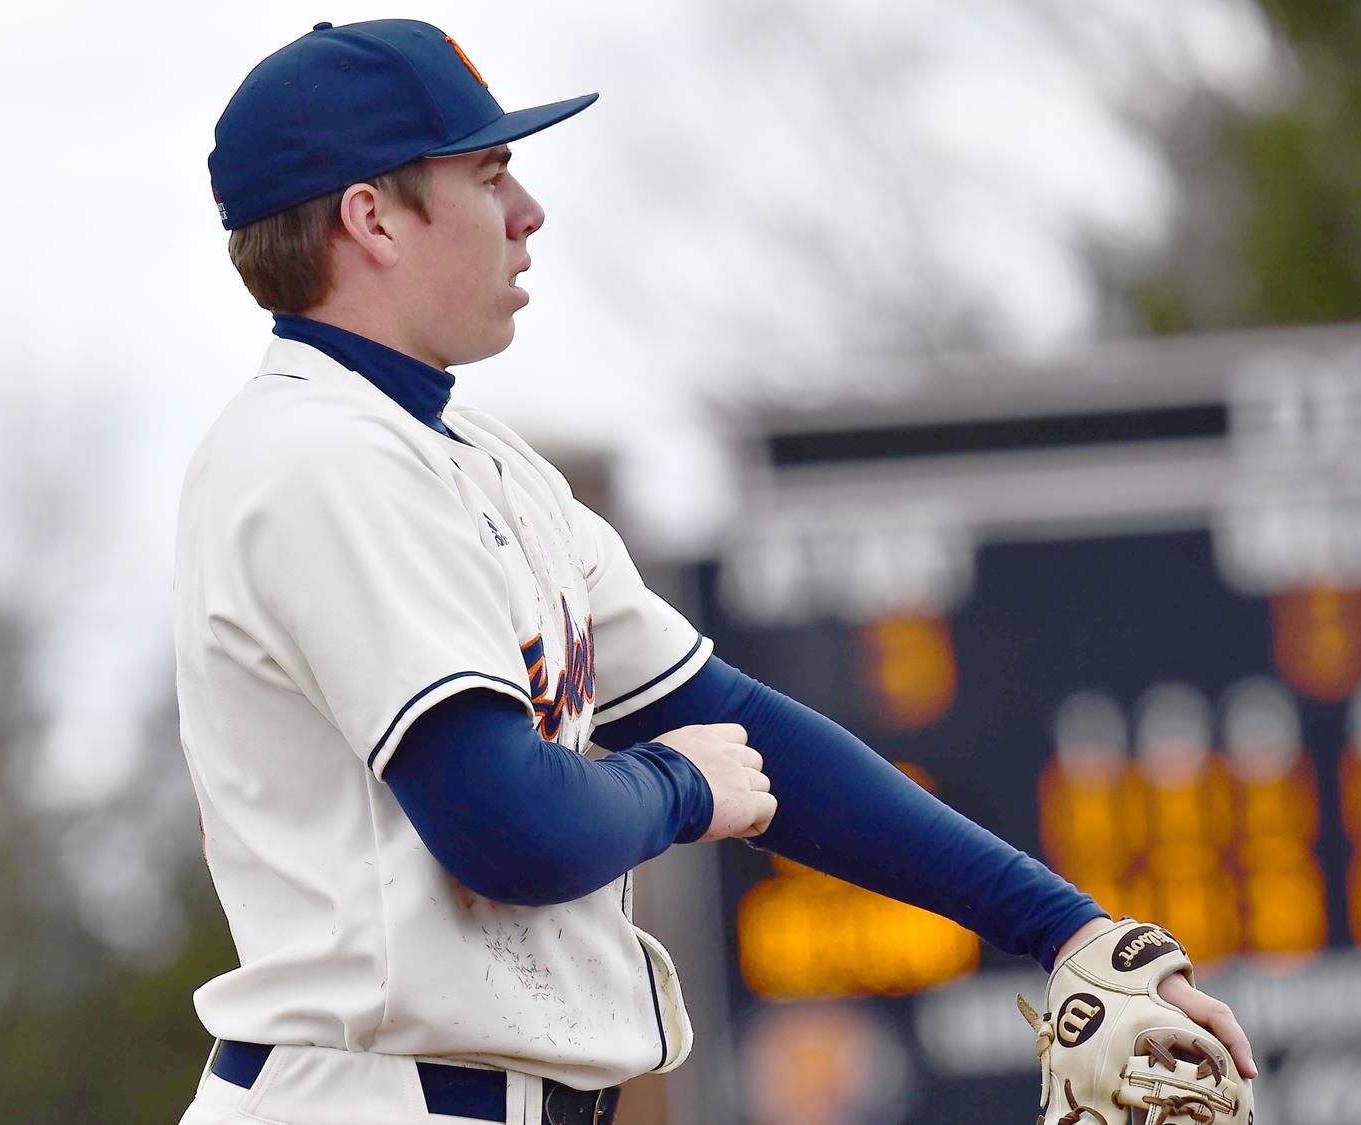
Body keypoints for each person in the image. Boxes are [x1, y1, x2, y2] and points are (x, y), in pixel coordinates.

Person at [176, 19, 1255, 1125]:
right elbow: (510, 829)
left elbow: (734, 723)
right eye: (487, 173)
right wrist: (680, 788)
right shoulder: (318, 459)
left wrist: (1062, 927)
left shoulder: (479, 465)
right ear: (370, 218)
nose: (526, 212)